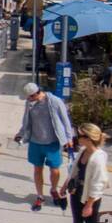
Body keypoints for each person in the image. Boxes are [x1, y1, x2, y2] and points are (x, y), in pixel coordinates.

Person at [16, 82, 72, 213]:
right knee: (37, 170)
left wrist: (69, 138)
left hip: (52, 142)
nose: (28, 99)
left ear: (37, 93)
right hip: (35, 142)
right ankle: (40, 196)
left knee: (55, 170)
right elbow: (25, 120)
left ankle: (53, 189)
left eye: (30, 97)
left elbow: (65, 120)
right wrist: (20, 134)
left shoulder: (54, 101)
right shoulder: (29, 103)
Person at [59, 125, 111, 223]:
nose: (77, 138)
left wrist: (89, 205)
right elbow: (74, 171)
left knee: (91, 222)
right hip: (76, 191)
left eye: (80, 136)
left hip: (90, 195)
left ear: (88, 138)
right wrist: (65, 185)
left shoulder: (97, 158)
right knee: (77, 219)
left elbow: (98, 184)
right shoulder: (83, 151)